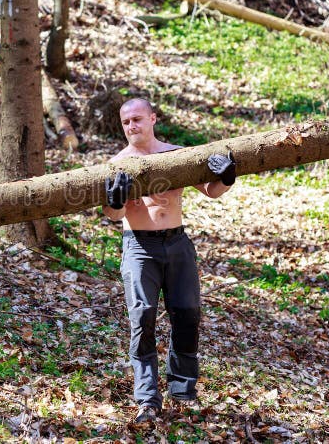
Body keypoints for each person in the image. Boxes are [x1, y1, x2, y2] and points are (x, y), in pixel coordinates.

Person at [102, 98, 236, 425]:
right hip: (139, 247)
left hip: (177, 243)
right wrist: (115, 199)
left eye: (137, 119)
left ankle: (183, 392)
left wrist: (228, 176)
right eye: (126, 122)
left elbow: (211, 190)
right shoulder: (117, 164)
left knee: (187, 316)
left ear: (152, 118)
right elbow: (112, 214)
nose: (132, 126)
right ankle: (147, 400)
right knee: (142, 319)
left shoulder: (177, 154)